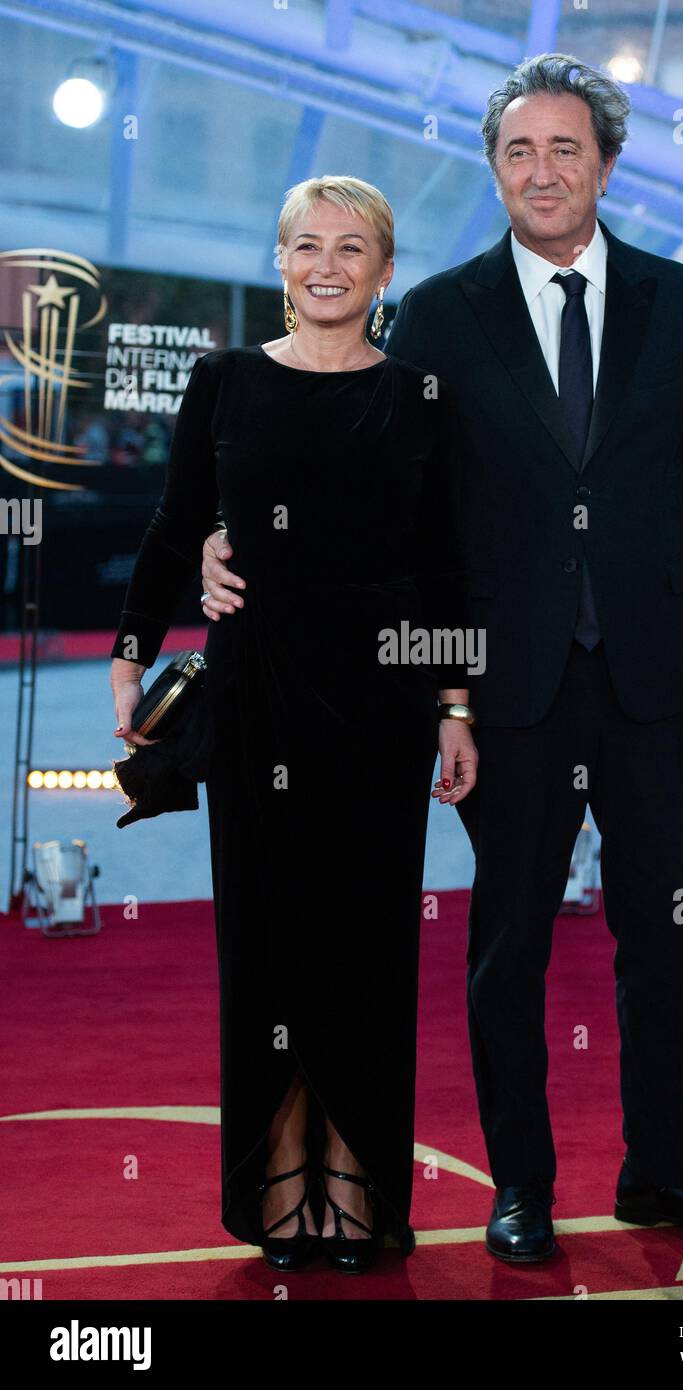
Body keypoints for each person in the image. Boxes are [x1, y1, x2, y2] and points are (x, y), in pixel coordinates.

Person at [201, 56, 683, 1262]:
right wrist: (227, 532)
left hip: (658, 683)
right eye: (518, 152)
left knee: (666, 937)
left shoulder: (682, 304)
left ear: (607, 165)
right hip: (504, 684)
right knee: (507, 942)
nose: (541, 171)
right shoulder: (441, 313)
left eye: (565, 150)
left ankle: (662, 1171)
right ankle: (519, 1181)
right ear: (493, 167)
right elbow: (372, 491)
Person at [109, 175, 477, 1274]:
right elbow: (177, 527)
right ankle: (282, 1191)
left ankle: (356, 1195)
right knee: (264, 950)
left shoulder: (420, 396)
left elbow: (441, 564)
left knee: (364, 950)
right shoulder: (222, 381)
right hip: (259, 699)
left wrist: (456, 704)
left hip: (377, 707)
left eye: (352, 246)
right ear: (277, 261)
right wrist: (132, 652)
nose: (328, 263)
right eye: (306, 244)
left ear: (384, 271)